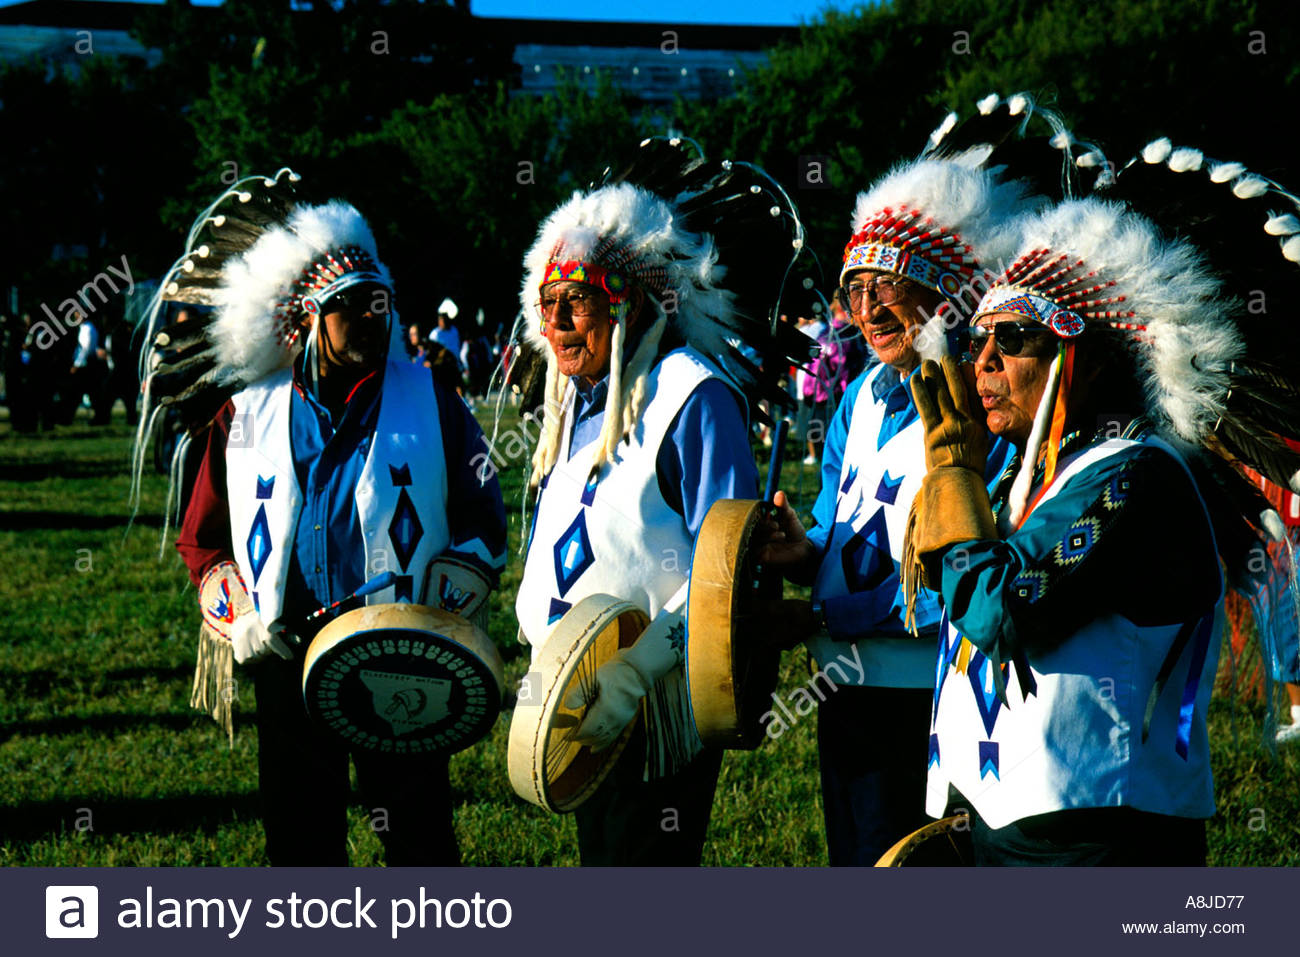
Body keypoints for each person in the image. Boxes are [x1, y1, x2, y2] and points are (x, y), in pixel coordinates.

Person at [907, 145, 1300, 863]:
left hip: (1105, 836)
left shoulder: (1133, 477)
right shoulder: (1037, 475)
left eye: (1015, 338)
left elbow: (1003, 609)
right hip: (1025, 821)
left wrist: (955, 474)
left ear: (1080, 359)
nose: (984, 360)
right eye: (978, 337)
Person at [139, 171, 507, 865]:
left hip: (401, 652)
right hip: (286, 651)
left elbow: (484, 516)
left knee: (419, 836)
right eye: (349, 306)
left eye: (380, 302)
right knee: (300, 839)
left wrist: (439, 607)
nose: (371, 316)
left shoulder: (431, 398)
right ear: (308, 315)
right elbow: (203, 537)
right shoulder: (249, 411)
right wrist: (239, 615)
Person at [513, 139, 810, 865]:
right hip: (577, 693)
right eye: (546, 304)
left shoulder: (693, 394)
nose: (556, 323)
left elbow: (730, 574)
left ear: (629, 295)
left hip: (659, 699)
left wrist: (639, 669)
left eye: (575, 301)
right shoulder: (577, 404)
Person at [754, 131, 1029, 865]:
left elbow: (950, 587)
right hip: (839, 686)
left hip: (924, 696)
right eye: (854, 288)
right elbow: (832, 528)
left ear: (941, 295)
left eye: (887, 286)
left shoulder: (977, 414)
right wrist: (799, 551)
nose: (868, 307)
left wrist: (816, 612)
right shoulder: (857, 398)